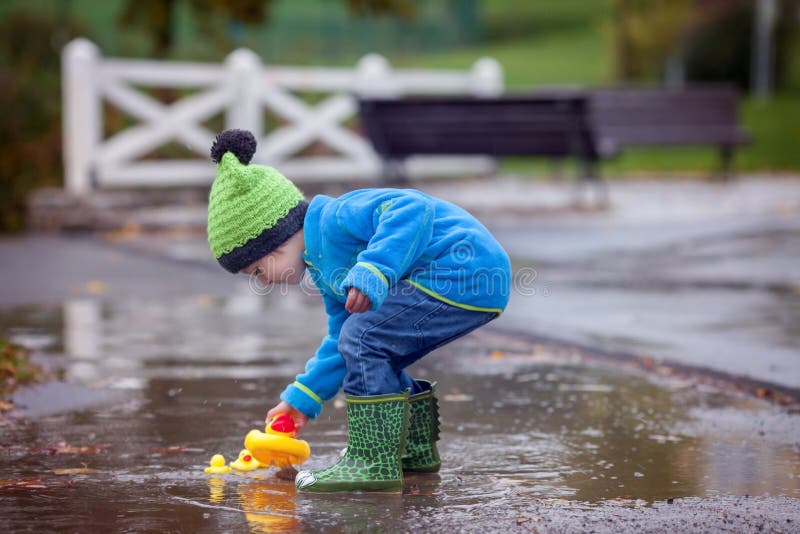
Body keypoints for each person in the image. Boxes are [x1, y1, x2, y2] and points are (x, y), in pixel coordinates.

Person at [206, 129, 511, 492]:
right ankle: (413, 451)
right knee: (369, 345)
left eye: (256, 270)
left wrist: (374, 269)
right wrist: (302, 399)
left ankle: (372, 461)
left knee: (364, 336)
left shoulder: (336, 218)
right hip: (460, 281)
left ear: (273, 240)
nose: (263, 282)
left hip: (464, 269)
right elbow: (341, 340)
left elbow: (413, 208)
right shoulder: (322, 268)